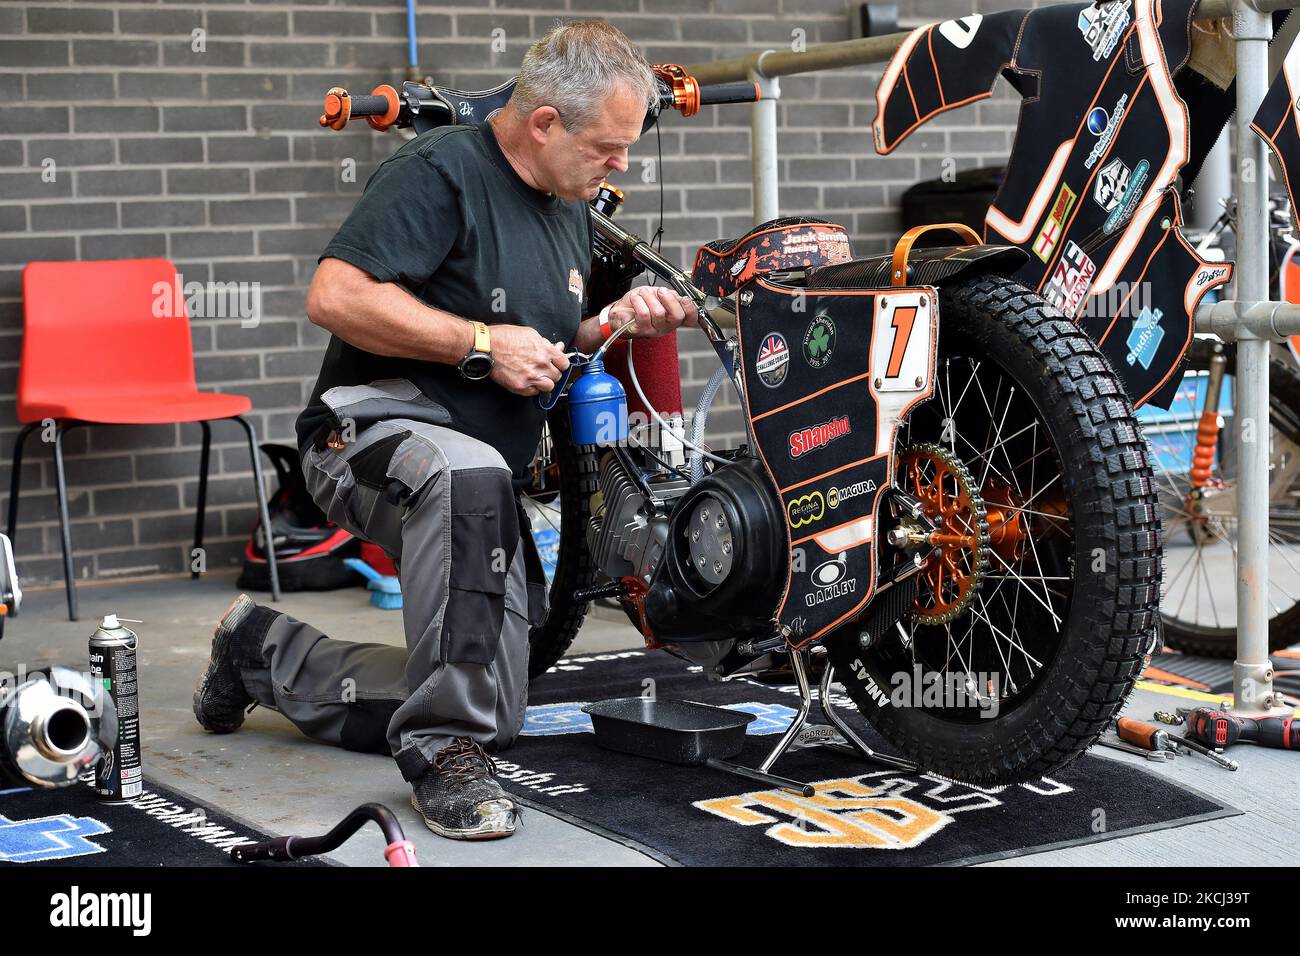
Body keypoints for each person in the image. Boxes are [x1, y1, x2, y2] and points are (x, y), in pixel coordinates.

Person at [192, 20, 697, 840]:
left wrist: (607, 325)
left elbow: (538, 343)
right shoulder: (439, 170)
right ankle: (442, 750)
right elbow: (336, 296)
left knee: (497, 694)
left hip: (474, 478)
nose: (622, 166)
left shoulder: (564, 205)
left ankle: (261, 652)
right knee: (465, 488)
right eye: (608, 147)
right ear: (544, 124)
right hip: (361, 437)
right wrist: (481, 343)